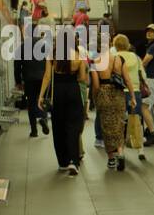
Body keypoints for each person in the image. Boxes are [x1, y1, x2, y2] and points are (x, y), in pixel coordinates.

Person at [38, 33, 86, 175]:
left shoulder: (52, 54)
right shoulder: (78, 55)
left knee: (58, 126)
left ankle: (63, 162)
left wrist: (40, 96)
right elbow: (83, 78)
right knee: (73, 126)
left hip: (57, 92)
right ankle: (74, 161)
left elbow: (47, 76)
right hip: (73, 91)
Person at [92, 34, 139, 171]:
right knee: (119, 125)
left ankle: (111, 159)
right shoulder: (119, 59)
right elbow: (128, 80)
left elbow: (95, 85)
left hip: (104, 94)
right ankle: (121, 152)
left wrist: (95, 99)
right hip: (118, 95)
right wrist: (133, 97)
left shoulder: (96, 61)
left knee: (106, 128)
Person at [17, 21, 49, 138]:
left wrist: (18, 81)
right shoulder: (44, 45)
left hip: (29, 78)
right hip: (42, 78)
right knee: (41, 100)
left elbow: (17, 65)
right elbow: (48, 63)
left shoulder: (22, 46)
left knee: (31, 103)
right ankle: (43, 118)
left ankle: (34, 131)